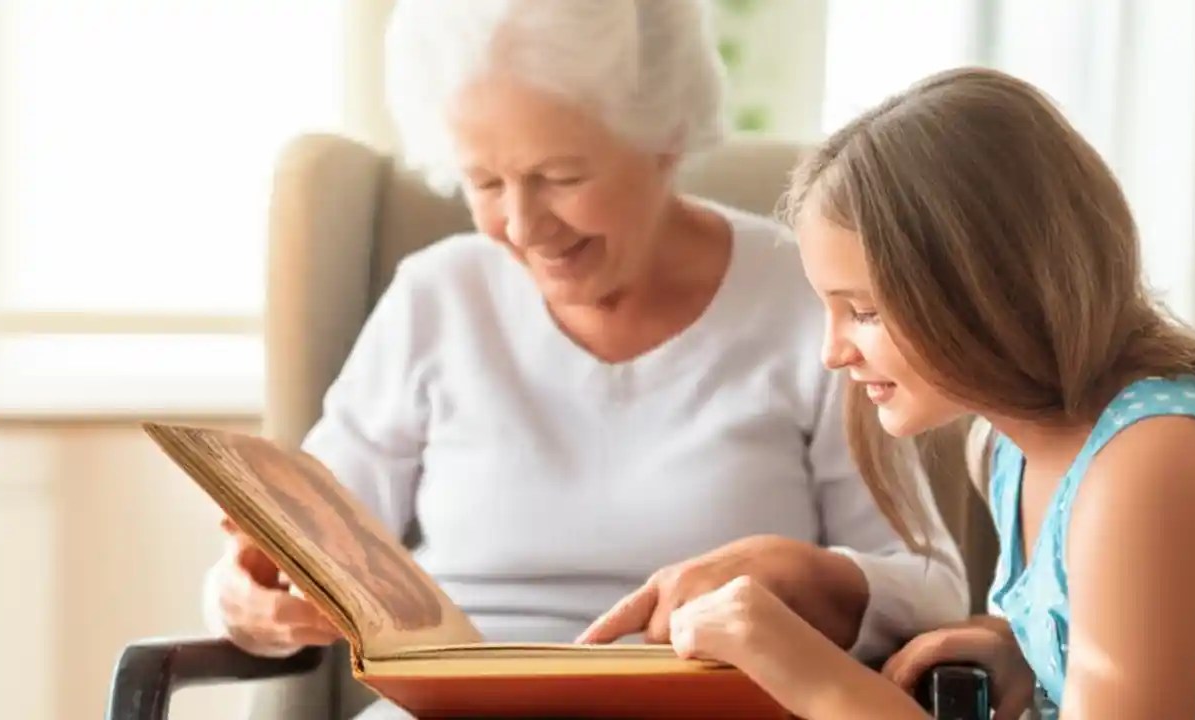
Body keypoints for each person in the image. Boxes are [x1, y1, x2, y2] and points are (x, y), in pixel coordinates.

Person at [200, 2, 969, 718]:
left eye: (560, 178)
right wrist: (247, 599)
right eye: (485, 182)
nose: (524, 223)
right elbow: (304, 536)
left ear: (665, 139)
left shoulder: (806, 295)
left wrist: (808, 578)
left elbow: (935, 588)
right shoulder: (437, 297)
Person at [667, 66, 1195, 720]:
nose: (832, 352)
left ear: (987, 289)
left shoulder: (1147, 468)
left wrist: (808, 672)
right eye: (829, 310)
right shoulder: (1005, 449)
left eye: (864, 312)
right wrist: (1018, 647)